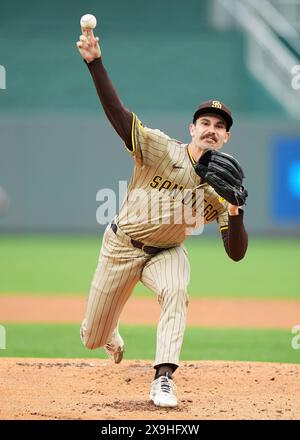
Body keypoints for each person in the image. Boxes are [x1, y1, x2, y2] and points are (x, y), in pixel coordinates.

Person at [76, 27, 248, 408]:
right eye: (205, 123)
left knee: (176, 291)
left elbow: (235, 253)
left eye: (220, 127)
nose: (212, 129)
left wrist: (236, 211)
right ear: (192, 129)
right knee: (92, 336)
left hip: (167, 252)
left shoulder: (223, 187)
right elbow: (118, 116)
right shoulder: (159, 149)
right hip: (121, 247)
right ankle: (110, 329)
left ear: (226, 139)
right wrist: (95, 64)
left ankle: (163, 379)